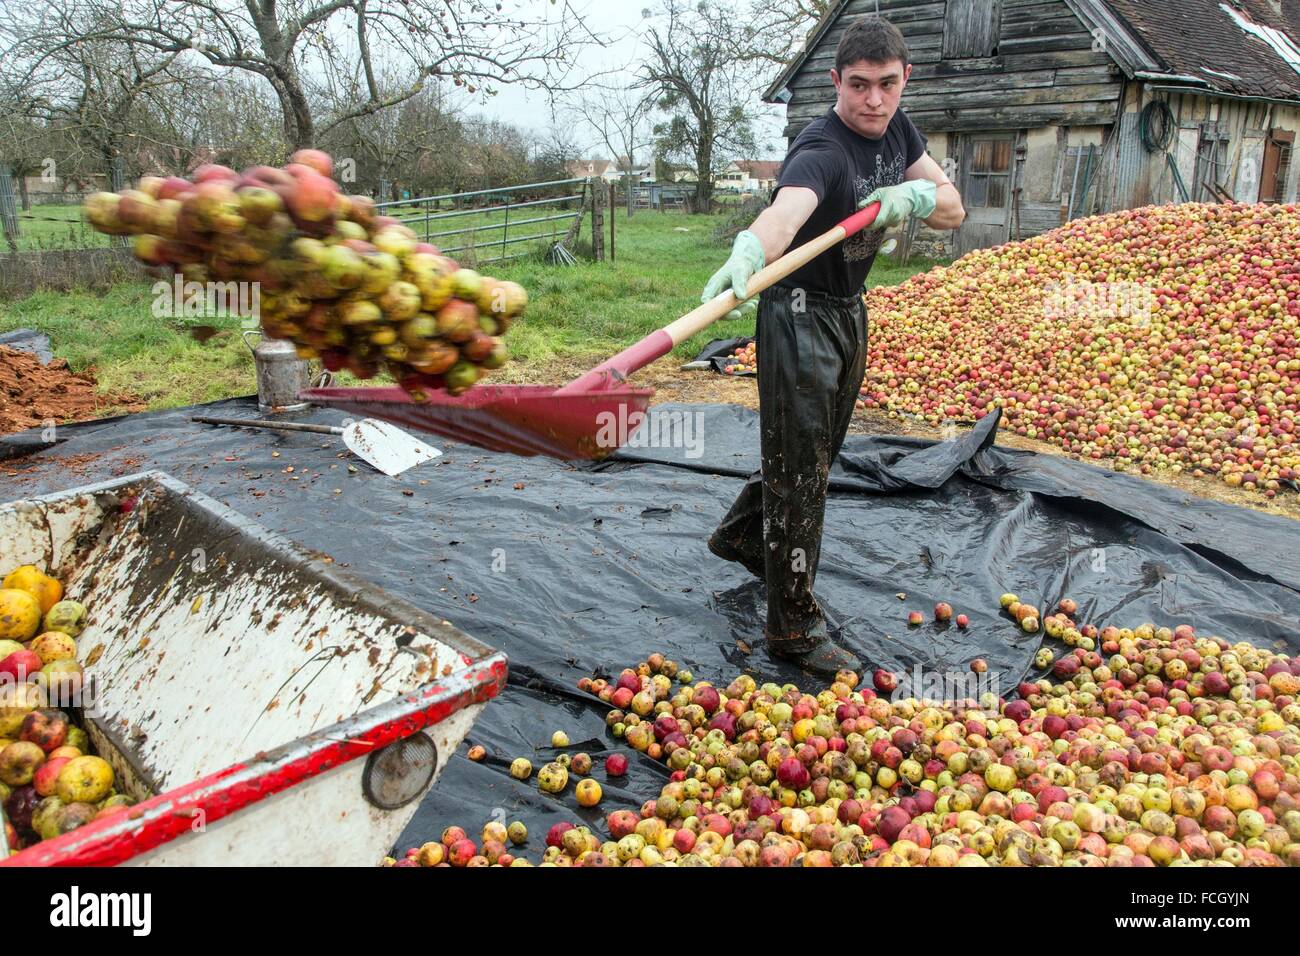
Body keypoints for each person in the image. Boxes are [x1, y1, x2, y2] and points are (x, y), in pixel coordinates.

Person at [703, 16, 966, 675]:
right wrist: (751, 248)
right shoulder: (820, 147)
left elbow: (953, 208)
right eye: (858, 86)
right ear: (835, 82)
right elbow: (786, 213)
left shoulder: (900, 131)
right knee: (804, 474)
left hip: (847, 309)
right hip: (796, 314)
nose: (873, 101)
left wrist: (914, 196)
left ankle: (741, 536)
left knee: (812, 453)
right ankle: (792, 629)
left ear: (905, 78)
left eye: (886, 84)